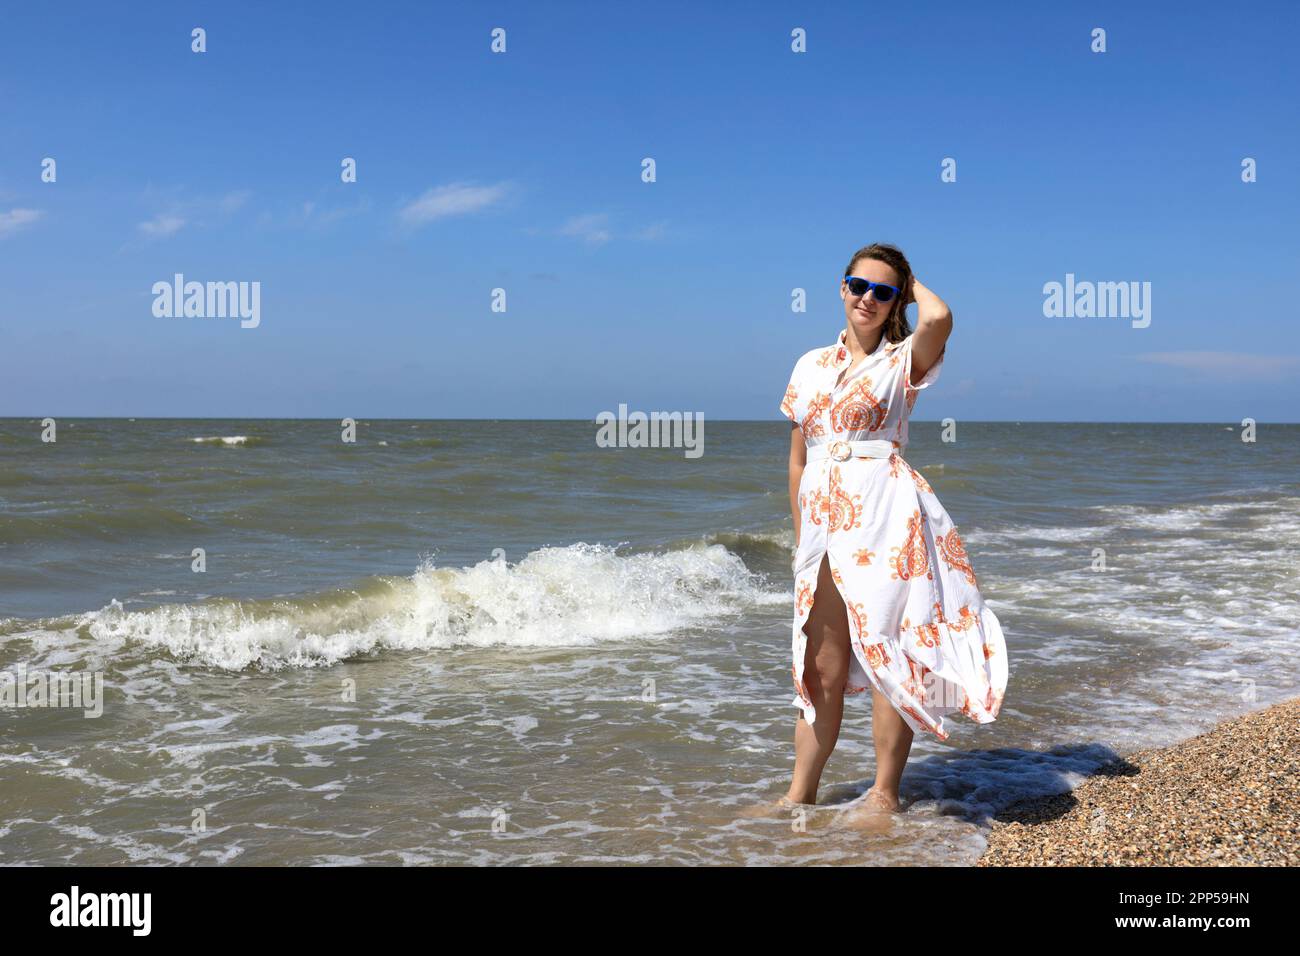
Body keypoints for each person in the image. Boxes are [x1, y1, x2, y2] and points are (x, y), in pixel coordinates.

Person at [777, 242, 1009, 819]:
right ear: (842, 287)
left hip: (885, 521)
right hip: (824, 534)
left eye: (883, 291)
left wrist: (908, 281)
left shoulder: (904, 359)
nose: (868, 299)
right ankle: (798, 795)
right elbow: (799, 460)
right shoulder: (809, 365)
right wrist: (802, 535)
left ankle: (884, 794)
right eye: (859, 286)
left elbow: (940, 318)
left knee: (888, 655)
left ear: (896, 298)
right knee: (820, 665)